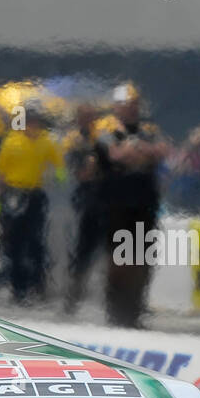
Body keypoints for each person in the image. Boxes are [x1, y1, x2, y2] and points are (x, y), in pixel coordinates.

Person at [92, 83, 168, 327]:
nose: (133, 109)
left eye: (135, 104)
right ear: (117, 107)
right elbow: (115, 155)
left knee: (143, 258)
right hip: (117, 203)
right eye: (127, 105)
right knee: (119, 259)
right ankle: (116, 311)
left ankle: (135, 310)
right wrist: (139, 153)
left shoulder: (149, 129)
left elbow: (162, 150)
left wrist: (137, 150)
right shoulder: (106, 129)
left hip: (144, 202)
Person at [0, 102, 62, 303]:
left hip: (35, 194)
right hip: (14, 194)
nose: (32, 125)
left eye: (35, 121)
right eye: (29, 121)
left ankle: (38, 284)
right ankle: (18, 288)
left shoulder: (46, 141)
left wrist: (59, 180)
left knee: (36, 242)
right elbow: (0, 174)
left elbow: (58, 165)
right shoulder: (12, 142)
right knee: (15, 243)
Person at [61, 103, 105, 311]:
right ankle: (73, 296)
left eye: (92, 116)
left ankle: (113, 297)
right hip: (87, 200)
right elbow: (79, 173)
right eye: (86, 117)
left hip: (108, 198)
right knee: (84, 251)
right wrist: (92, 165)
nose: (90, 121)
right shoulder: (74, 141)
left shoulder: (104, 136)